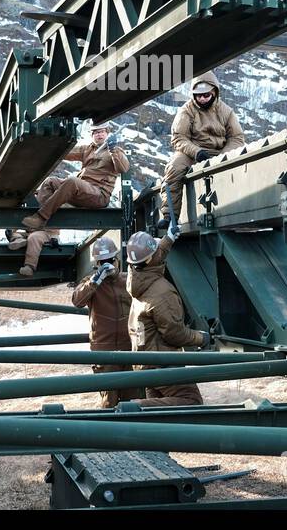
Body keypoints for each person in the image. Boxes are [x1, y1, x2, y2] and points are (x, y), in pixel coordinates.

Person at [13, 121, 128, 278]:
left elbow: (123, 168)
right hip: (80, 192)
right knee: (50, 182)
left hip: (98, 195)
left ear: (107, 133)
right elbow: (63, 153)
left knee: (72, 181)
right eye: (95, 132)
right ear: (92, 135)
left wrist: (113, 149)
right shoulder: (87, 149)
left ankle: (40, 218)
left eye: (102, 132)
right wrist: (45, 143)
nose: (98, 134)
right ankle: (42, 229)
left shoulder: (115, 151)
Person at [125, 223, 211, 407]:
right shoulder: (162, 292)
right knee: (191, 400)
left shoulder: (137, 277)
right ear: (149, 259)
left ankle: (143, 410)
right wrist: (200, 338)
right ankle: (135, 406)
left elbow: (154, 257)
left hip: (143, 361)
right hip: (161, 363)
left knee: (160, 410)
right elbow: (174, 333)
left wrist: (169, 238)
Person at [158, 71, 244, 229]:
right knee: (174, 167)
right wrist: (196, 151)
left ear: (214, 92)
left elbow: (237, 137)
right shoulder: (186, 111)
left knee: (237, 163)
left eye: (206, 95)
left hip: (219, 151)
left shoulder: (226, 111)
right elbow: (178, 137)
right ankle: (170, 214)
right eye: (198, 95)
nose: (202, 98)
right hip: (191, 152)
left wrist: (223, 156)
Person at [71, 236, 145, 407]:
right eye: (103, 261)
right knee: (108, 402)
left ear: (117, 260)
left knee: (133, 401)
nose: (108, 264)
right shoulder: (92, 283)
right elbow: (77, 301)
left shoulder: (128, 279)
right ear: (97, 264)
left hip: (129, 349)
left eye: (110, 260)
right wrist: (96, 280)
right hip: (104, 352)